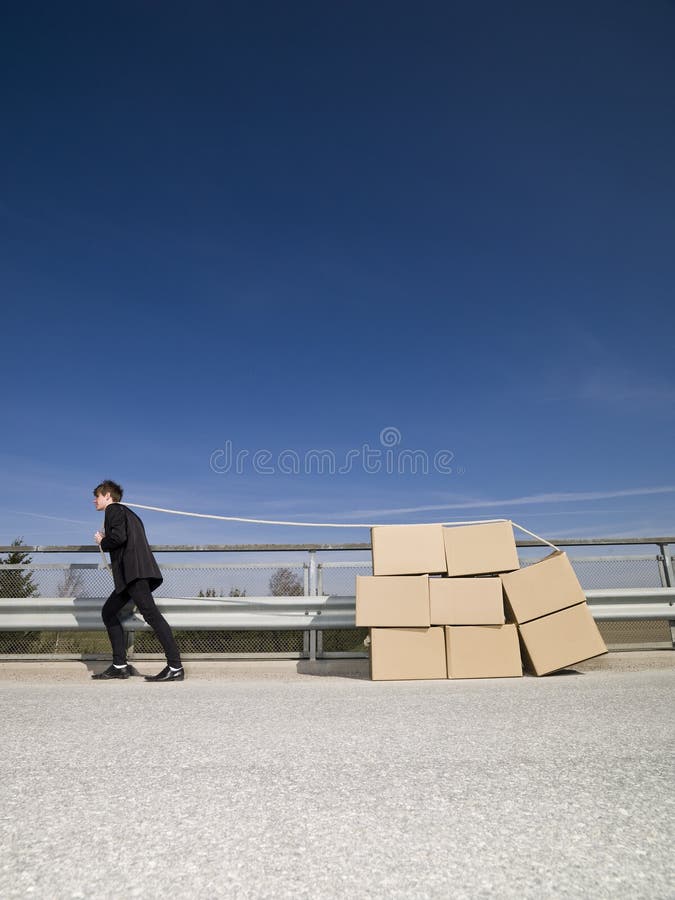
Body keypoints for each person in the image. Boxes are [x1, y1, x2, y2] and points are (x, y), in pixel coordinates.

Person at [92, 480, 184, 682]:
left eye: (97, 496)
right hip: (131, 575)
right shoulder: (130, 514)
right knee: (108, 612)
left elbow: (118, 538)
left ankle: (175, 666)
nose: (94, 500)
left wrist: (102, 541)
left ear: (108, 495)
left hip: (134, 574)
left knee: (152, 615)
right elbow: (125, 537)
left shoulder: (114, 510)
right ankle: (119, 666)